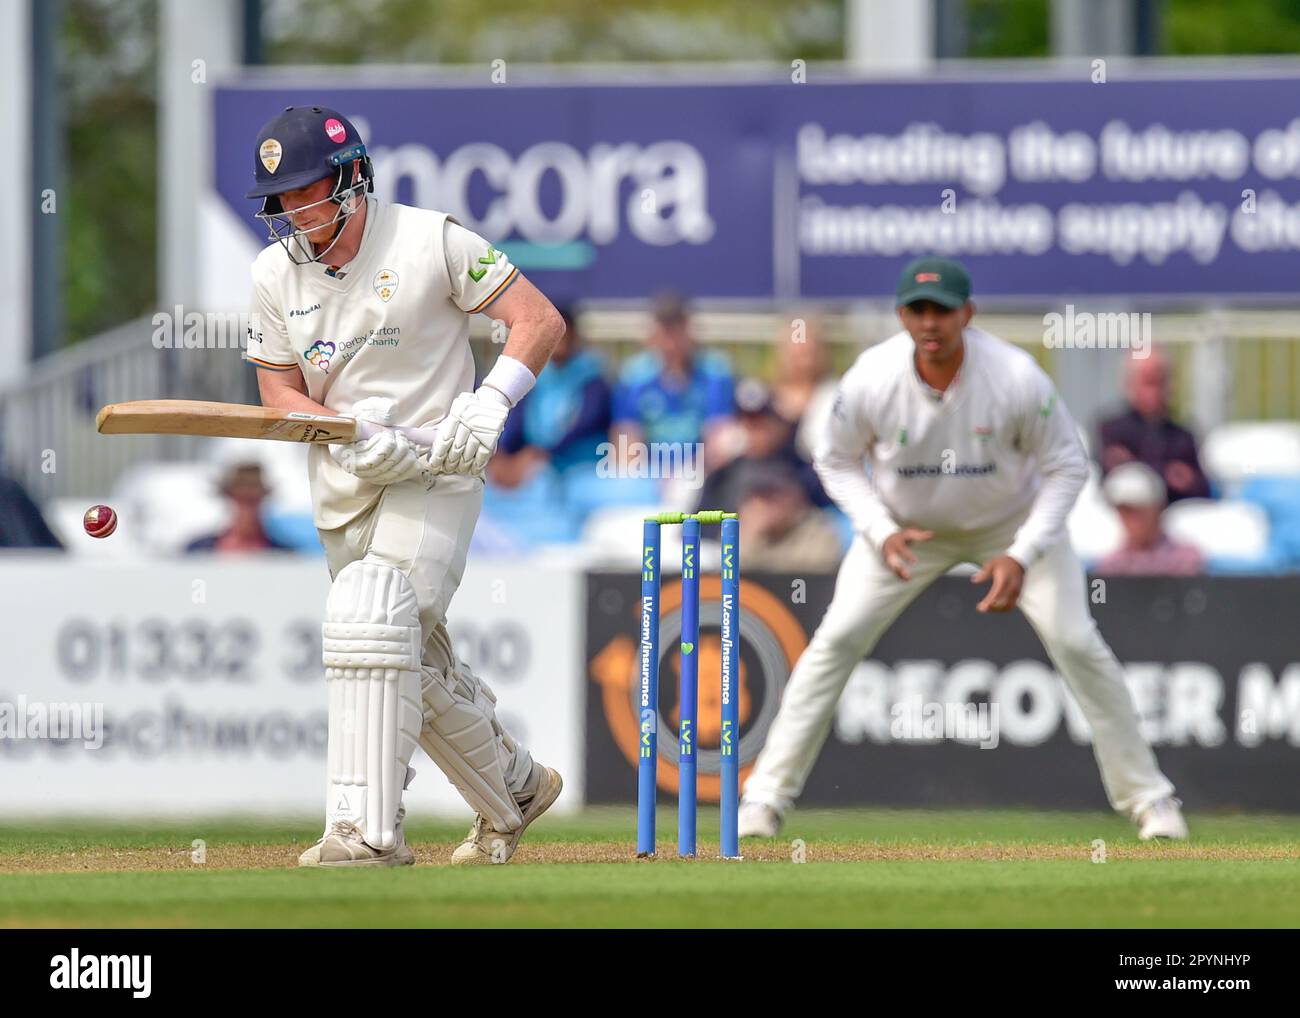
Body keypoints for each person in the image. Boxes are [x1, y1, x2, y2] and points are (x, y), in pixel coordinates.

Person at [736, 256, 1187, 842]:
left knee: (1077, 643)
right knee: (837, 641)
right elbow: (834, 459)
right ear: (901, 315)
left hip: (1012, 526)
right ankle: (763, 800)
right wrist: (877, 527)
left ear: (967, 314)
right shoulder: (872, 378)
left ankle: (1152, 802)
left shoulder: (1016, 377)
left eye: (943, 310)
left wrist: (1022, 554)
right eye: (918, 310)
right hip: (906, 532)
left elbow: (1067, 466)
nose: (931, 322)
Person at [242, 105, 566, 867]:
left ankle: (364, 832)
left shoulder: (431, 239)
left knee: (374, 626)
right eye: (281, 200)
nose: (294, 211)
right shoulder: (271, 275)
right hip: (344, 480)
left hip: (439, 472)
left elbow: (538, 320)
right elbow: (279, 398)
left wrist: (488, 404)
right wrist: (350, 437)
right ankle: (514, 787)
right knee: (405, 658)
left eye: (306, 191)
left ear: (352, 178)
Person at [488, 306, 611, 490]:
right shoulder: (534, 375)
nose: (557, 340)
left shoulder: (592, 378)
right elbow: (516, 422)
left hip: (579, 467)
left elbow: (583, 425)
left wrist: (540, 455)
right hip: (534, 461)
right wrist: (503, 456)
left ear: (573, 335)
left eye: (562, 333)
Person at [609, 292, 735, 470]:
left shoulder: (715, 372)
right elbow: (626, 435)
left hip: (700, 471)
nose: (672, 338)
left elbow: (719, 433)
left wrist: (689, 474)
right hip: (649, 472)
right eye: (665, 328)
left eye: (677, 326)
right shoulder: (634, 376)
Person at [695, 378, 827, 513]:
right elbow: (700, 526)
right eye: (747, 421)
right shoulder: (723, 474)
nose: (754, 430)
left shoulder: (799, 468)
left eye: (760, 420)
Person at [1099, 352, 1210, 504]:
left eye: (1161, 381)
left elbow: (1201, 488)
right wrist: (1168, 473)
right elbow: (1111, 479)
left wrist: (1135, 463)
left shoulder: (1182, 436)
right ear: (1129, 383)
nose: (1155, 390)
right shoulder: (1112, 430)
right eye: (1148, 381)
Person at [1096, 462, 1203, 576]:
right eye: (1124, 511)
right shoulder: (1111, 565)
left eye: (1137, 511)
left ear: (1157, 509)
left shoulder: (1185, 559)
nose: (1129, 520)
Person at [734, 461, 841, 572]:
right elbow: (730, 571)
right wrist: (749, 537)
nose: (763, 504)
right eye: (757, 496)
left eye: (771, 494)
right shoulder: (743, 528)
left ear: (792, 495)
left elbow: (814, 571)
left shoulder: (816, 529)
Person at [184, 462, 296, 554]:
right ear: (230, 498)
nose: (247, 509)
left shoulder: (282, 554)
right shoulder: (199, 550)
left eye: (252, 500)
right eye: (241, 499)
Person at [770, 315, 838, 462]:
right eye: (795, 353)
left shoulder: (833, 396)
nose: (802, 362)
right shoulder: (766, 398)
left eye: (807, 352)